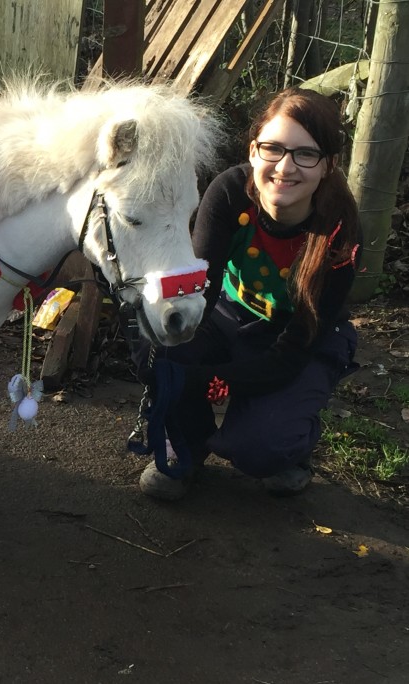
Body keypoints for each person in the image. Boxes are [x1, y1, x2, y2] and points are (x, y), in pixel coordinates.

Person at [135, 86, 360, 500]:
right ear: (253, 151)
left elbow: (292, 352)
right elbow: (199, 295)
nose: (285, 167)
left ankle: (289, 444)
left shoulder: (340, 231)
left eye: (305, 154)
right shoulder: (228, 192)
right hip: (228, 313)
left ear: (327, 165)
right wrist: (168, 355)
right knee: (162, 345)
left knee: (259, 449)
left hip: (300, 335)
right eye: (272, 149)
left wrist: (211, 379)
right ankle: (189, 445)